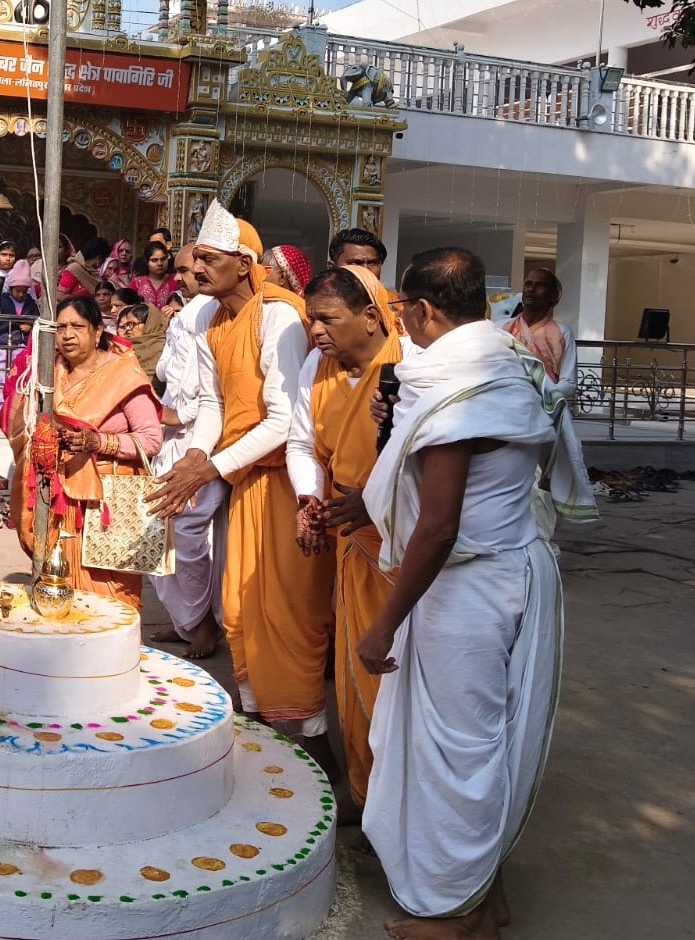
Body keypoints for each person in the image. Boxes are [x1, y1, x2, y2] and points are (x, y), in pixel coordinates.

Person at [357, 247, 597, 940]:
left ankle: (459, 916)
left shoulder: (459, 384)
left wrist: (383, 625)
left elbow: (437, 527)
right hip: (510, 565)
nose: (402, 321)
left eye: (403, 309)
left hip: (464, 587)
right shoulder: (507, 360)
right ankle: (484, 899)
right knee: (479, 746)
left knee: (457, 753)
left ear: (425, 311)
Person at [147, 202, 334, 765]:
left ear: (245, 262)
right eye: (195, 258)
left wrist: (210, 466)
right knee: (241, 608)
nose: (196, 267)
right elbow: (212, 403)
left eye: (209, 257)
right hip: (246, 478)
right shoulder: (207, 318)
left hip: (288, 481)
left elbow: (284, 420)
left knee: (288, 614)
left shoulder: (279, 317)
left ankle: (316, 747)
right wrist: (197, 456)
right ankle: (259, 731)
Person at [285, 264, 411, 819]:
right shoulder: (319, 368)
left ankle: (397, 805)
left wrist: (373, 499)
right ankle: (365, 797)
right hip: (349, 546)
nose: (316, 332)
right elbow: (302, 442)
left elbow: (429, 469)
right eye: (311, 320)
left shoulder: (411, 369)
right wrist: (312, 498)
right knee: (352, 685)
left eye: (327, 320)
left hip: (400, 555)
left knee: (394, 686)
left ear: (369, 316)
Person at [9, 296, 163, 609]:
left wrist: (99, 443)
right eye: (61, 327)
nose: (67, 335)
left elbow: (151, 439)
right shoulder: (48, 375)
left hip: (107, 504)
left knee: (109, 599)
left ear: (96, 332)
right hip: (57, 502)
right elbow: (21, 430)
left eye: (77, 326)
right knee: (57, 589)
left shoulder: (123, 375)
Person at [148, 242, 226, 660]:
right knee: (159, 533)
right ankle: (185, 622)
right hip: (170, 436)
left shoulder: (212, 312)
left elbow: (213, 389)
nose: (185, 275)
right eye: (180, 269)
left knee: (190, 536)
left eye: (195, 266)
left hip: (200, 440)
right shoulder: (184, 312)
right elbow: (166, 372)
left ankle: (206, 626)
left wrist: (180, 417)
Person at [502, 267, 576, 401]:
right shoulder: (501, 328)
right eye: (528, 284)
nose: (531, 289)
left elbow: (569, 384)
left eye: (540, 285)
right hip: (505, 406)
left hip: (543, 409)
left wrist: (537, 395)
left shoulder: (563, 333)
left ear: (554, 296)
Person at [0, 259, 38, 419]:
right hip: (2, 346)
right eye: (18, 291)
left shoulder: (31, 304)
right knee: (0, 381)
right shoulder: (1, 302)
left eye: (24, 291)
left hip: (21, 347)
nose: (22, 294)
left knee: (20, 381)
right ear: (10, 288)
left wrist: (30, 327)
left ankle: (16, 417)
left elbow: (38, 320)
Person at [129, 241, 179, 308]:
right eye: (154, 260)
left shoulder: (175, 280)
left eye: (163, 259)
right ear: (147, 262)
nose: (160, 263)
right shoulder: (137, 282)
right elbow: (129, 306)